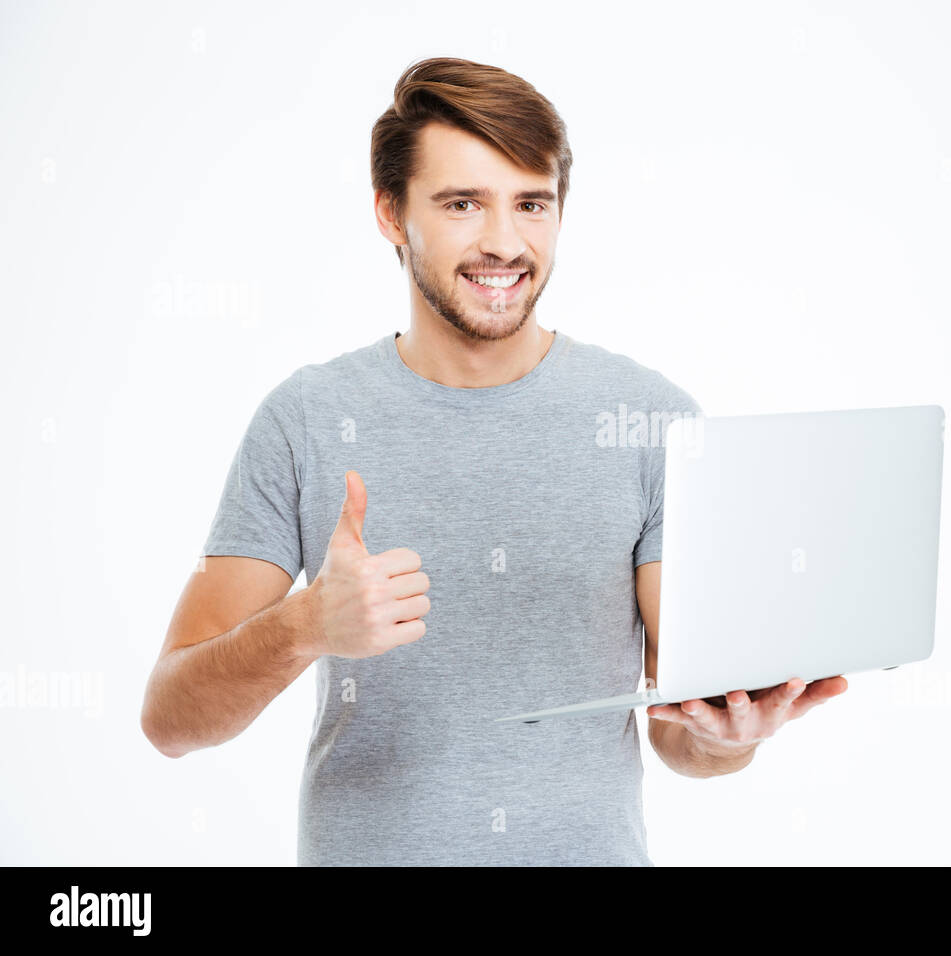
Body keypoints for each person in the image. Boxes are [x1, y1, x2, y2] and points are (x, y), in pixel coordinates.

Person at [140, 56, 847, 866]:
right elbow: (170, 720)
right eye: (463, 203)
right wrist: (303, 627)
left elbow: (676, 731)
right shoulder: (303, 421)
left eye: (531, 204)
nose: (505, 243)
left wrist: (730, 738)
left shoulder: (652, 424)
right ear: (390, 213)